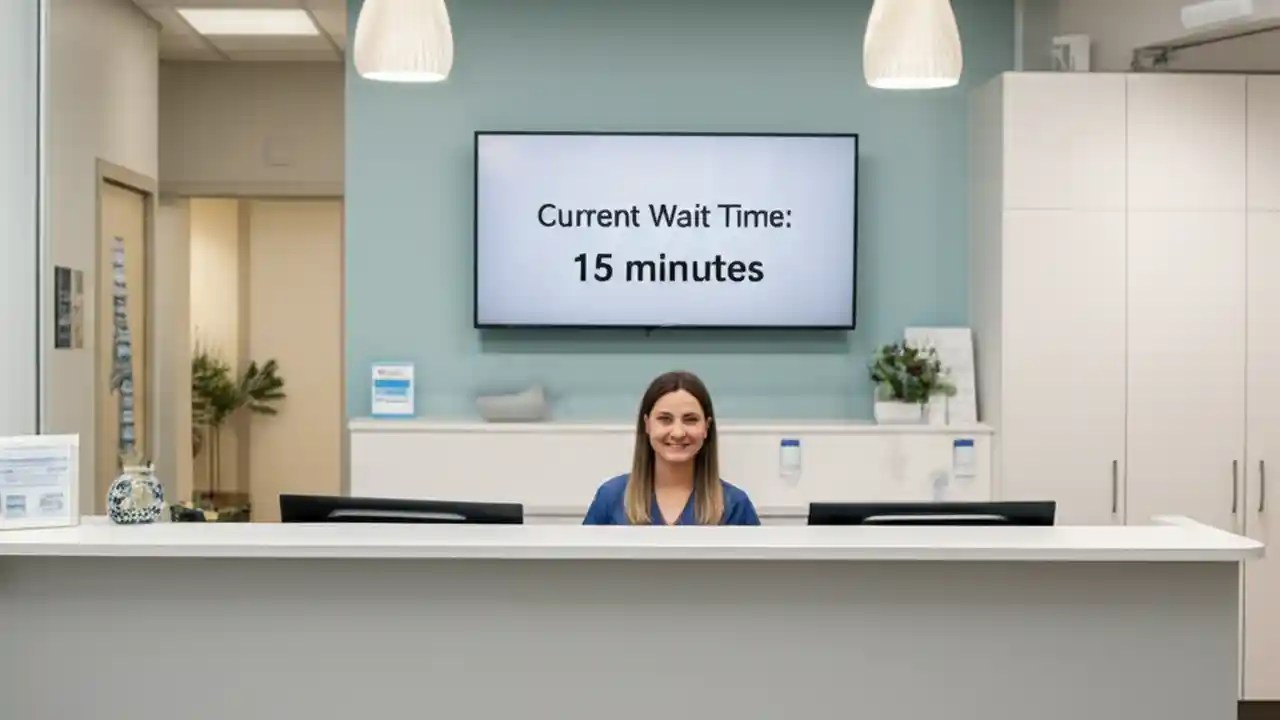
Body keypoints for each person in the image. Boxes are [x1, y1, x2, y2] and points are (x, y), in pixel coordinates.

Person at [583, 370, 761, 526]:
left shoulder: (735, 505)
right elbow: (581, 563)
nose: (677, 432)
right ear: (647, 425)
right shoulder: (611, 497)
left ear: (706, 427)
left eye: (690, 419)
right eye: (665, 419)